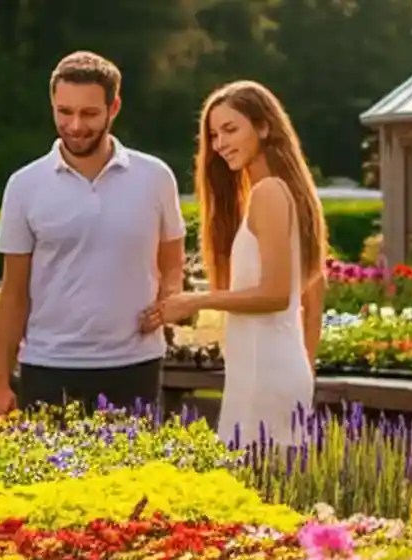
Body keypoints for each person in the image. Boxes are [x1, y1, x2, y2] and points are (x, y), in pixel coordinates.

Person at [0, 51, 187, 417]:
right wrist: (1, 383)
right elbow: (13, 292)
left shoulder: (156, 178)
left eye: (89, 113)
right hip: (49, 366)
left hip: (135, 364)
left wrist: (168, 300)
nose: (76, 125)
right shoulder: (24, 185)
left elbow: (172, 262)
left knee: (135, 475)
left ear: (114, 107)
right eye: (64, 112)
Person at [139, 80, 326, 447]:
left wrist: (197, 300)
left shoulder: (269, 193)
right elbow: (311, 291)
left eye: (230, 129)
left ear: (263, 127)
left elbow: (276, 295)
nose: (220, 144)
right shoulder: (282, 192)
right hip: (268, 369)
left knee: (255, 490)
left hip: (265, 372)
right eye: (213, 135)